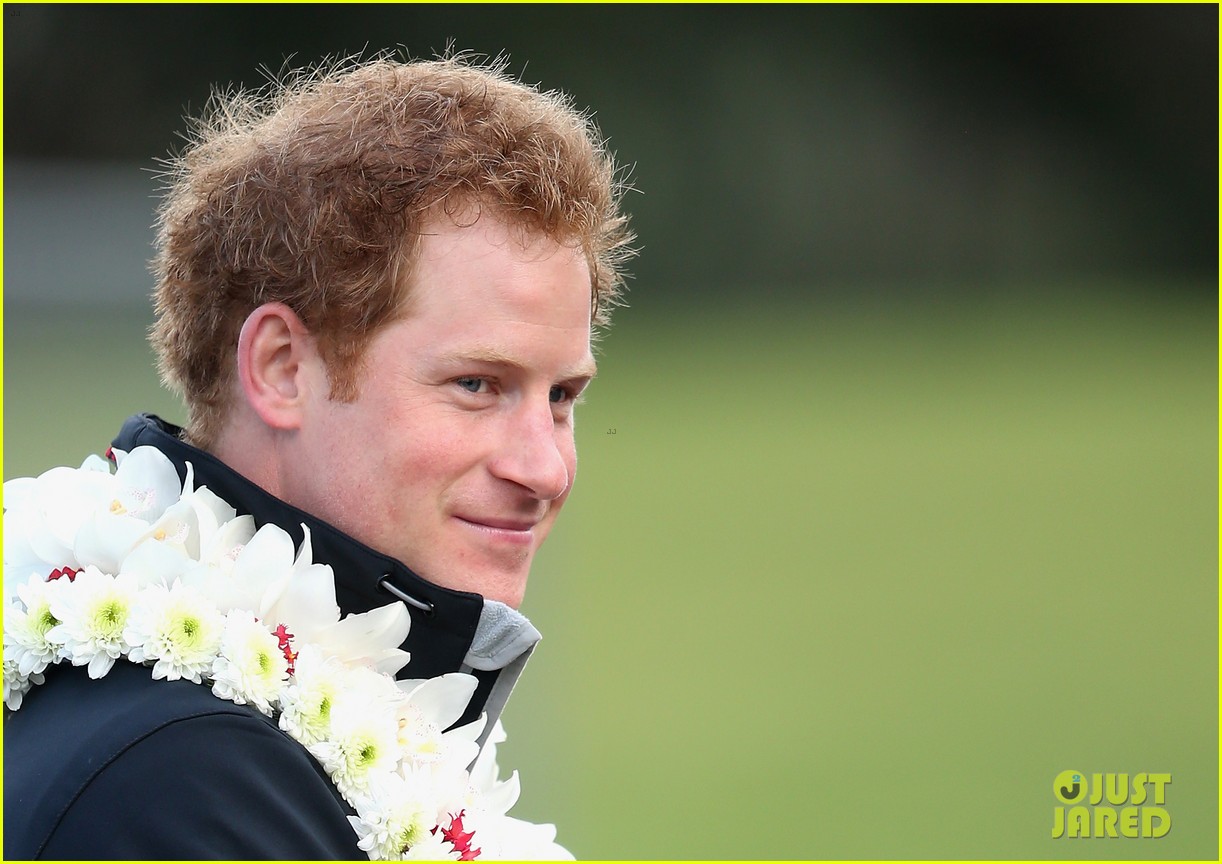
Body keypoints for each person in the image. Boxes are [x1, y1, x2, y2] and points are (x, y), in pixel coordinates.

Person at [3, 55, 632, 859]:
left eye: (561, 398)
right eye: (476, 384)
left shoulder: (265, 741)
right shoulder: (179, 781)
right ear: (279, 368)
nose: (544, 469)